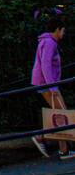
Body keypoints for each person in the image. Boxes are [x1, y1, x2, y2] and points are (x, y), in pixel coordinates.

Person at [31, 18, 73, 160]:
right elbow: (46, 65)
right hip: (47, 85)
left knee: (61, 114)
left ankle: (64, 150)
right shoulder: (49, 43)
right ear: (57, 29)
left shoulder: (48, 42)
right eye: (63, 30)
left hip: (46, 83)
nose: (64, 33)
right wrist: (52, 86)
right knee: (61, 114)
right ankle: (41, 137)